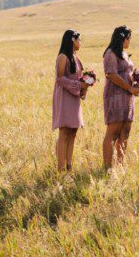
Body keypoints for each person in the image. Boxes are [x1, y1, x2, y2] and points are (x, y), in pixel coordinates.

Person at [102, 26, 139, 169]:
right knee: (113, 132)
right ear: (123, 38)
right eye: (129, 38)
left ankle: (120, 165)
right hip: (115, 97)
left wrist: (136, 82)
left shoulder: (124, 53)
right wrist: (129, 87)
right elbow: (111, 74)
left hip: (128, 98)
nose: (130, 41)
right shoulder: (110, 53)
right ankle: (107, 167)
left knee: (125, 131)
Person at [52, 29, 88, 171]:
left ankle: (69, 166)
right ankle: (60, 168)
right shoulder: (63, 57)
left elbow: (81, 77)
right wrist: (79, 85)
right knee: (64, 131)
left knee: (73, 131)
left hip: (74, 98)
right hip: (64, 98)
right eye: (79, 40)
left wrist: (84, 88)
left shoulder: (76, 58)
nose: (80, 43)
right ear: (72, 40)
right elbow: (60, 78)